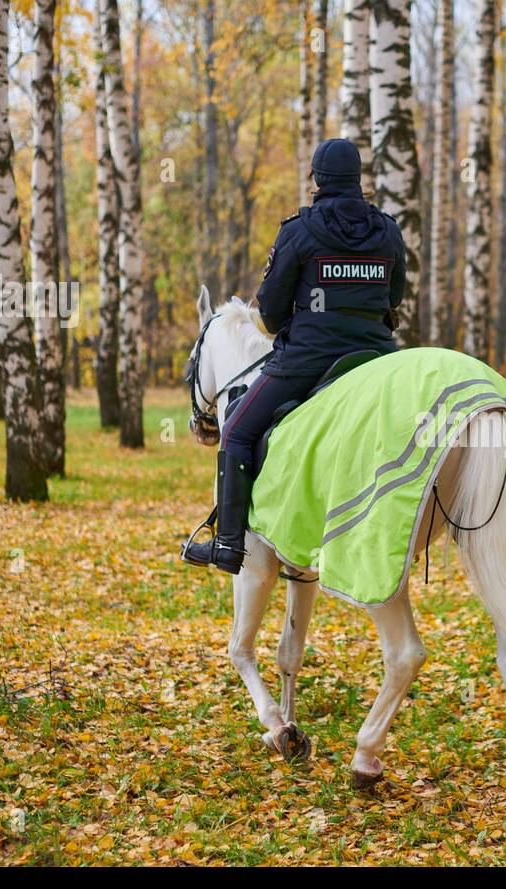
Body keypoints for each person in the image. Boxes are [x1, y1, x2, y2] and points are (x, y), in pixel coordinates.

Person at [182, 138, 406, 573]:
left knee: (238, 433)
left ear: (317, 180)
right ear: (358, 179)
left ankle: (228, 544)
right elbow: (394, 297)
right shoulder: (387, 230)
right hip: (378, 361)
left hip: (307, 363)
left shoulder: (299, 231)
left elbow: (269, 312)